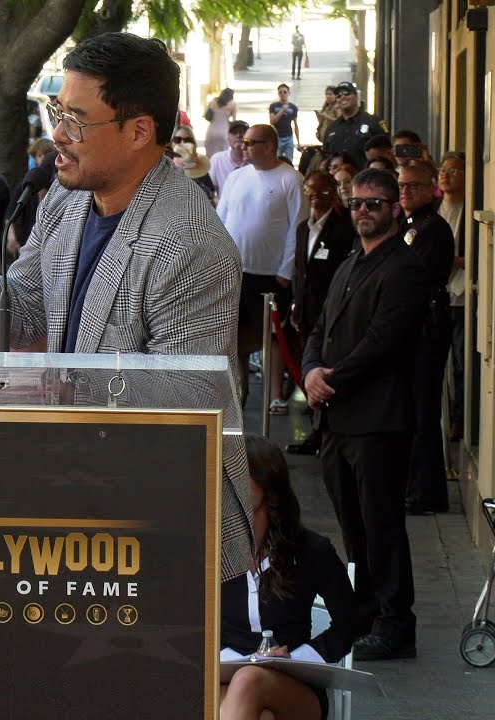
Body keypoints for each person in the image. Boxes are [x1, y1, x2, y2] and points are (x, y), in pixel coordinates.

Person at [0, 31, 256, 582]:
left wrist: (55, 384)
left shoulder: (189, 241)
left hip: (172, 529)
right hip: (80, 501)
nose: (57, 133)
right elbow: (25, 311)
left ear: (139, 131)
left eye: (76, 120)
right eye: (58, 112)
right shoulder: (64, 200)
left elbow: (188, 401)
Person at [302, 168, 427, 662]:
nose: (363, 211)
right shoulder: (351, 262)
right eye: (356, 203)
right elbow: (320, 328)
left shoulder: (405, 268)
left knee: (382, 527)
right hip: (337, 421)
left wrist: (328, 380)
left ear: (395, 208)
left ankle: (397, 623)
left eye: (374, 204)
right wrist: (310, 370)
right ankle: (368, 611)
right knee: (354, 527)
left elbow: (383, 343)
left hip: (379, 421)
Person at [219, 435, 356, 720]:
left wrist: (296, 658)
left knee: (248, 680)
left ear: (268, 489)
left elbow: (351, 622)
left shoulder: (312, 550)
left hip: (295, 687)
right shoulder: (213, 552)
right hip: (225, 680)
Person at [216, 125, 302, 412]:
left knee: (273, 336)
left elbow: (298, 229)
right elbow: (221, 219)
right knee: (233, 334)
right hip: (234, 271)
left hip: (270, 274)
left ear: (269, 146)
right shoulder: (236, 177)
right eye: (243, 141)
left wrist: (285, 272)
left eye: (250, 141)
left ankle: (275, 394)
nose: (244, 145)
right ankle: (238, 392)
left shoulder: (290, 179)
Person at [398, 161, 455, 515]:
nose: (405, 191)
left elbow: (415, 276)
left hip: (428, 327)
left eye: (413, 186)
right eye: (402, 185)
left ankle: (425, 491)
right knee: (414, 409)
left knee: (423, 410)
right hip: (415, 327)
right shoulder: (409, 224)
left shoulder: (433, 228)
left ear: (431, 189)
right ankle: (417, 485)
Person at [286, 170, 355, 456]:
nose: (314, 195)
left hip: (332, 313)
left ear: (333, 192)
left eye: (321, 189)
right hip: (307, 313)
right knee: (308, 365)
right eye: (310, 190)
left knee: (328, 370)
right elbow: (299, 270)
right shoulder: (304, 228)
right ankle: (316, 430)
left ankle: (325, 432)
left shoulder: (344, 227)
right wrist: (296, 306)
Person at [437, 151, 466, 441]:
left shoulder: (470, 212)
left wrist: (457, 261)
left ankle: (459, 418)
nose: (446, 175)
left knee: (460, 361)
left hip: (461, 295)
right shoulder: (434, 211)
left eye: (454, 170)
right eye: (443, 169)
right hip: (435, 294)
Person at [322, 82, 387, 169]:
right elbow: (326, 155)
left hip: (365, 175)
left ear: (356, 96)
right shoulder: (332, 128)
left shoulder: (373, 122)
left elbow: (386, 153)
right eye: (338, 95)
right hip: (338, 176)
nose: (342, 97)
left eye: (347, 93)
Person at [167, 125, 214, 202]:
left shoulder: (202, 172)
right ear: (171, 142)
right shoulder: (163, 169)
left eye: (187, 140)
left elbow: (211, 197)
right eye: (177, 140)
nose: (182, 143)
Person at [209, 120, 250, 196]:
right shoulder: (217, 160)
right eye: (234, 133)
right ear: (228, 138)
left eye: (243, 132)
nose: (239, 135)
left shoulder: (257, 160)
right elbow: (210, 188)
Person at [270, 84, 301, 163]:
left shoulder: (293, 107)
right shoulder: (274, 106)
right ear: (278, 94)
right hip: (277, 138)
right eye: (280, 92)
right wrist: (282, 111)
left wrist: (298, 142)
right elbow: (272, 121)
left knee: (289, 161)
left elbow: (296, 125)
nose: (282, 94)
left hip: (289, 138)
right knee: (276, 161)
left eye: (285, 92)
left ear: (289, 93)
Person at [203, 88, 237, 158]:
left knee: (210, 156)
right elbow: (234, 120)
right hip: (224, 132)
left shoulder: (213, 101)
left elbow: (206, 114)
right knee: (223, 157)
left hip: (211, 131)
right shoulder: (233, 104)